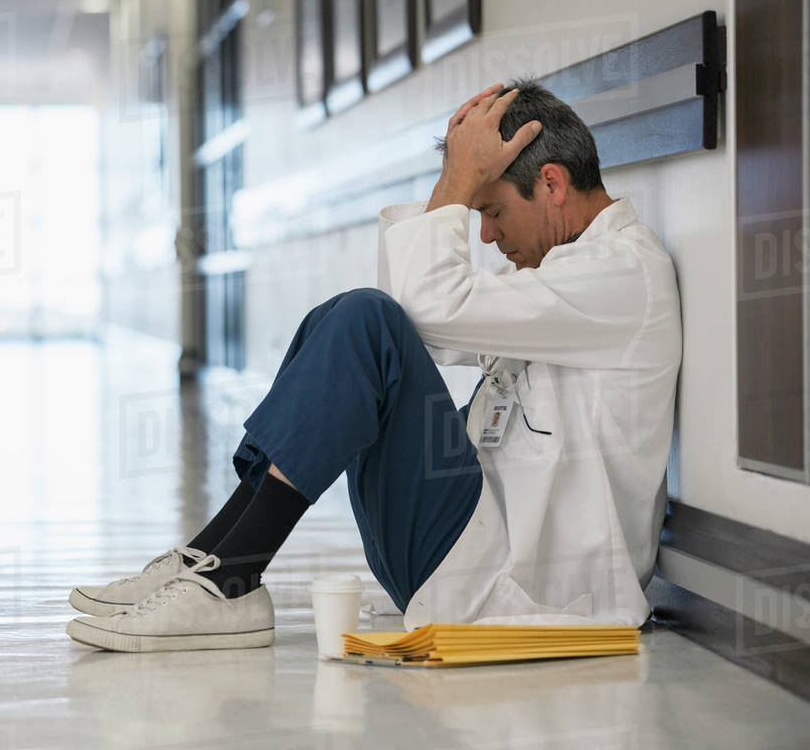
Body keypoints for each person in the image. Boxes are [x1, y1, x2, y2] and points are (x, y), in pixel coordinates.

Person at [66, 78, 683, 653]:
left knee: (365, 319)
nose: (488, 238)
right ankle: (213, 560)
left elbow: (416, 312)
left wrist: (457, 178)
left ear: (551, 184)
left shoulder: (621, 273)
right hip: (470, 550)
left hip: (533, 591)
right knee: (339, 317)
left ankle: (231, 579)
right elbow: (415, 319)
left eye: (491, 211)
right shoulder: (562, 273)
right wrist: (460, 181)